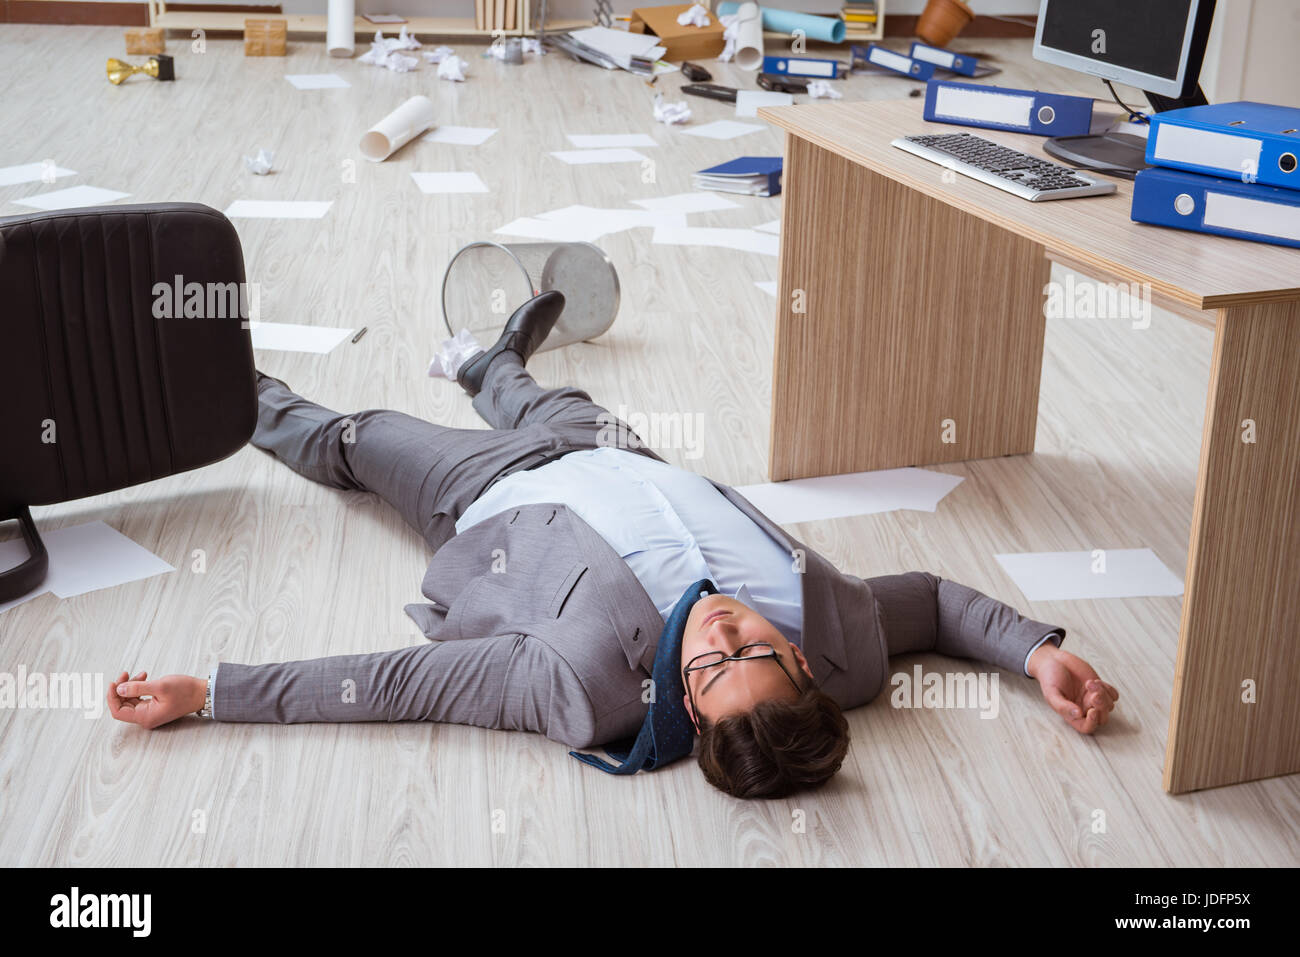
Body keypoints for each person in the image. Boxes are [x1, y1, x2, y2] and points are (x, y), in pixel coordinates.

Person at [108, 292, 1118, 798]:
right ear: (801, 662)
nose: (722, 633)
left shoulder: (580, 685)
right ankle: (488, 360)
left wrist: (211, 693)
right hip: (613, 453)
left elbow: (386, 687)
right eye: (754, 651)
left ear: (685, 702)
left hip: (488, 495)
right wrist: (1035, 653)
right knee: (557, 402)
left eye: (713, 667)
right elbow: (937, 604)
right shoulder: (843, 634)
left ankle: (212, 382)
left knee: (354, 439)